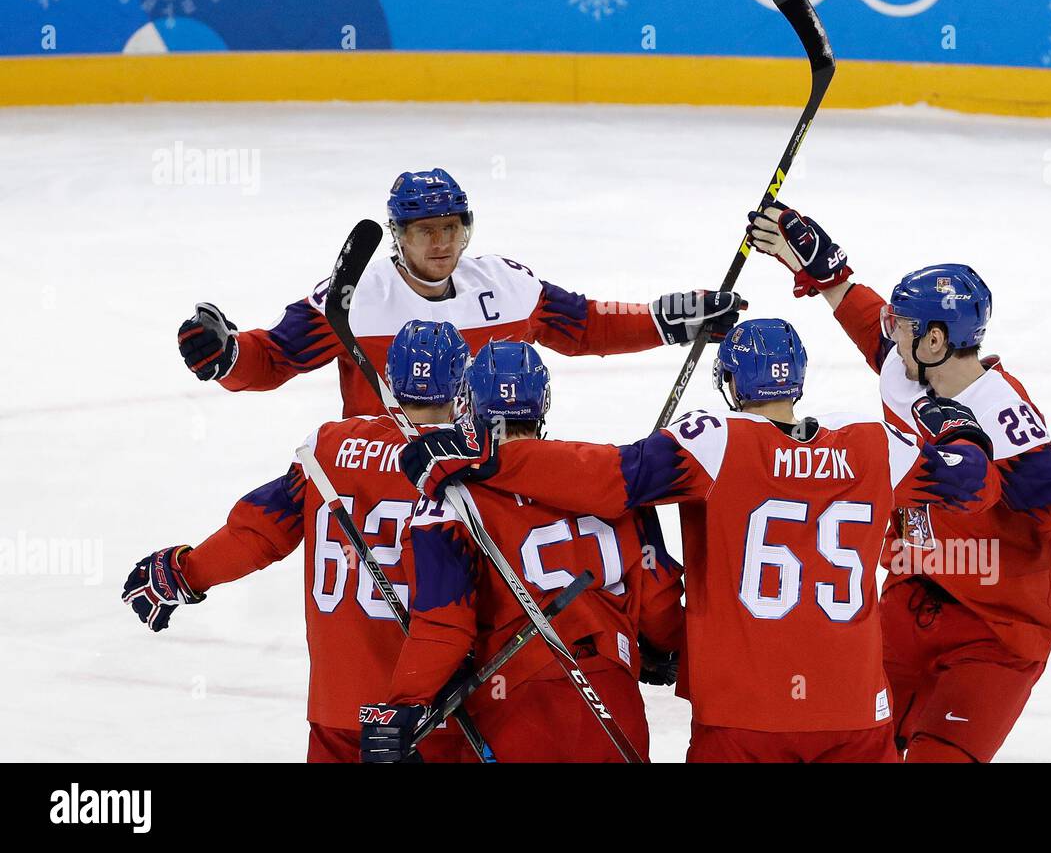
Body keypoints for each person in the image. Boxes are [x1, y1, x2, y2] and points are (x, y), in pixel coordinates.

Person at [397, 317, 1001, 763]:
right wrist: (960, 426)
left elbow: (612, 480)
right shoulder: (873, 447)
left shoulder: (714, 445)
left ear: (731, 384)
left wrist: (485, 461)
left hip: (742, 718)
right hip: (854, 715)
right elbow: (971, 483)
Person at [745, 202, 1051, 762]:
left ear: (935, 342)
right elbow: (865, 321)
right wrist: (830, 275)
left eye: (904, 325)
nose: (889, 331)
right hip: (907, 603)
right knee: (841, 744)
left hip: (995, 631)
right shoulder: (907, 366)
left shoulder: (1002, 415)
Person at [124, 320, 481, 763]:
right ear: (462, 386)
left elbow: (260, 531)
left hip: (338, 706)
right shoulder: (468, 466)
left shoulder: (330, 448)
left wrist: (185, 571)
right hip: (430, 713)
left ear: (389, 379)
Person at [177, 168, 744, 417]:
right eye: (427, 231)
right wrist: (228, 357)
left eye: (453, 228)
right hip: (388, 480)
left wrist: (670, 318)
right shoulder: (353, 297)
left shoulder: (504, 285)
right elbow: (272, 357)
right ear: (398, 238)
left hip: (489, 472)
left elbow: (588, 324)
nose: (443, 242)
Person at [361, 341, 685, 763]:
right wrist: (661, 651)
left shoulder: (451, 500)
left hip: (512, 701)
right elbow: (659, 600)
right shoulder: (608, 479)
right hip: (611, 698)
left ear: (469, 404)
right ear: (543, 402)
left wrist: (405, 703)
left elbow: (445, 625)